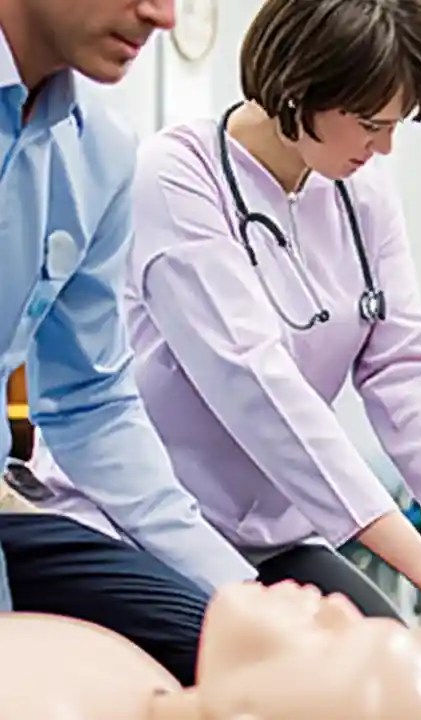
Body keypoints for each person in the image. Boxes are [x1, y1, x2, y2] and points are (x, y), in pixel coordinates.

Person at [30, 0, 421, 631]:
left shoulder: (361, 191)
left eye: (395, 124)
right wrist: (420, 563)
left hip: (272, 537)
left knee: (393, 659)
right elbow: (256, 384)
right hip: (136, 528)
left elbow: (404, 364)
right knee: (291, 667)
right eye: (369, 123)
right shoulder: (176, 177)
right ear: (300, 90)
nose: (384, 146)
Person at [0, 0, 259, 686]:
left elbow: (91, 403)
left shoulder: (99, 153)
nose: (163, 15)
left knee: (237, 651)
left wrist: (246, 598)